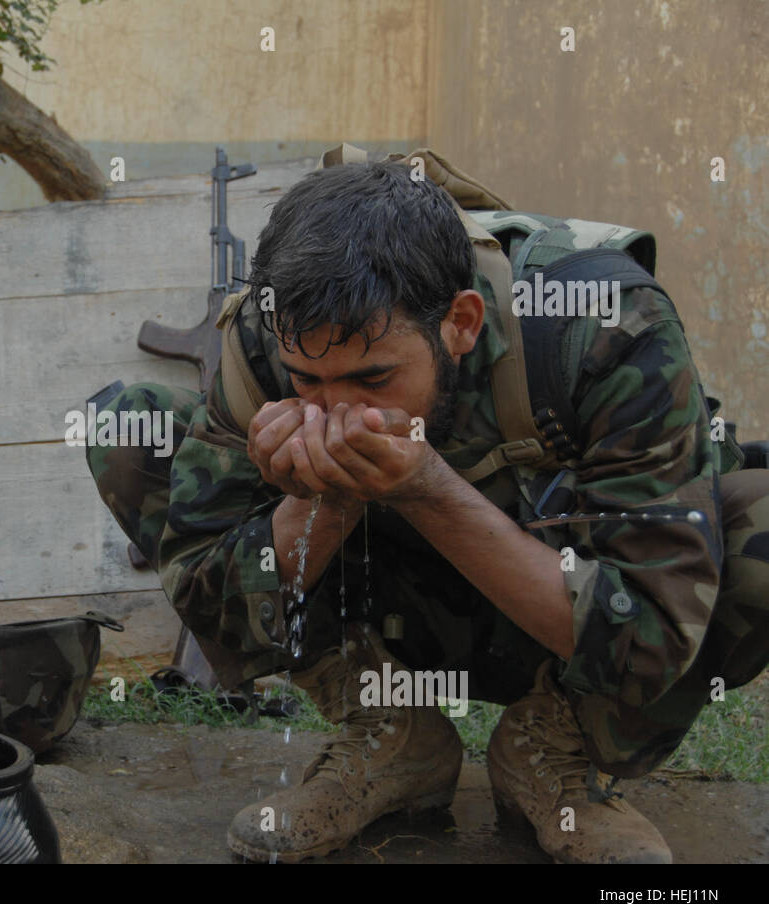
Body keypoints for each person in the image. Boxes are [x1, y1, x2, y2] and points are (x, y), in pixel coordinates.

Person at [86, 160, 769, 864]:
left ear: (462, 323)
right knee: (127, 431)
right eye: (308, 381)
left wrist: (427, 486)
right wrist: (319, 497)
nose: (336, 411)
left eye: (373, 377)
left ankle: (553, 750)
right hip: (389, 603)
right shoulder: (263, 345)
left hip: (551, 607)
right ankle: (388, 731)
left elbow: (650, 637)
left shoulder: (602, 325)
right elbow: (222, 615)